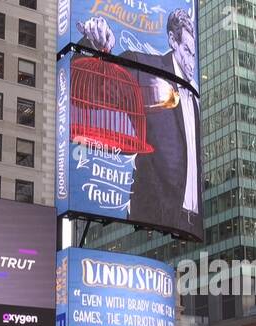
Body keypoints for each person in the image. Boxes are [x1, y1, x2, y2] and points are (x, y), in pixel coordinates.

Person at [77, 11, 201, 233]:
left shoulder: (194, 97)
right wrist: (94, 46)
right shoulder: (144, 68)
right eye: (186, 51)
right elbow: (92, 89)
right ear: (173, 41)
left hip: (191, 226)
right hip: (151, 222)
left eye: (194, 55)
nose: (191, 63)